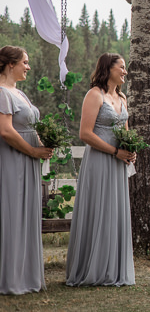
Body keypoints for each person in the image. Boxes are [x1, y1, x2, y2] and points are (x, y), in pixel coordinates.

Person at [66, 53, 136, 286]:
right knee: (99, 210)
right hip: (99, 161)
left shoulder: (122, 98)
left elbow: (125, 131)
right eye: (122, 67)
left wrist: (130, 148)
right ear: (109, 68)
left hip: (118, 163)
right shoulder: (94, 95)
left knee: (114, 211)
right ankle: (92, 268)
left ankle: (113, 269)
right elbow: (85, 134)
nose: (125, 71)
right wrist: (114, 151)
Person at [0, 46, 54, 294]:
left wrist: (44, 145)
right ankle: (10, 277)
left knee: (26, 213)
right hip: (12, 159)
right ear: (10, 64)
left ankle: (25, 274)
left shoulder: (19, 92)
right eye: (25, 62)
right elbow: (6, 131)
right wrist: (32, 151)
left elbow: (30, 126)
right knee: (12, 212)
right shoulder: (2, 93)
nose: (28, 67)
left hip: (29, 161)